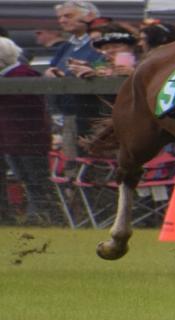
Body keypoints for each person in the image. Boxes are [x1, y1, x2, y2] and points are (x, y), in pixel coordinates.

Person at [0, 36, 54, 225]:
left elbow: (26, 107)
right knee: (23, 178)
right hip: (10, 139)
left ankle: (42, 215)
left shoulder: (24, 74)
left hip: (28, 139)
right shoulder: (10, 75)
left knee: (34, 180)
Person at [44, 2, 102, 78]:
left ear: (89, 16)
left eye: (68, 16)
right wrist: (50, 72)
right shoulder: (66, 46)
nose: (61, 21)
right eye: (59, 17)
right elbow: (52, 67)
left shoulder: (106, 43)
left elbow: (108, 68)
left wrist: (94, 72)